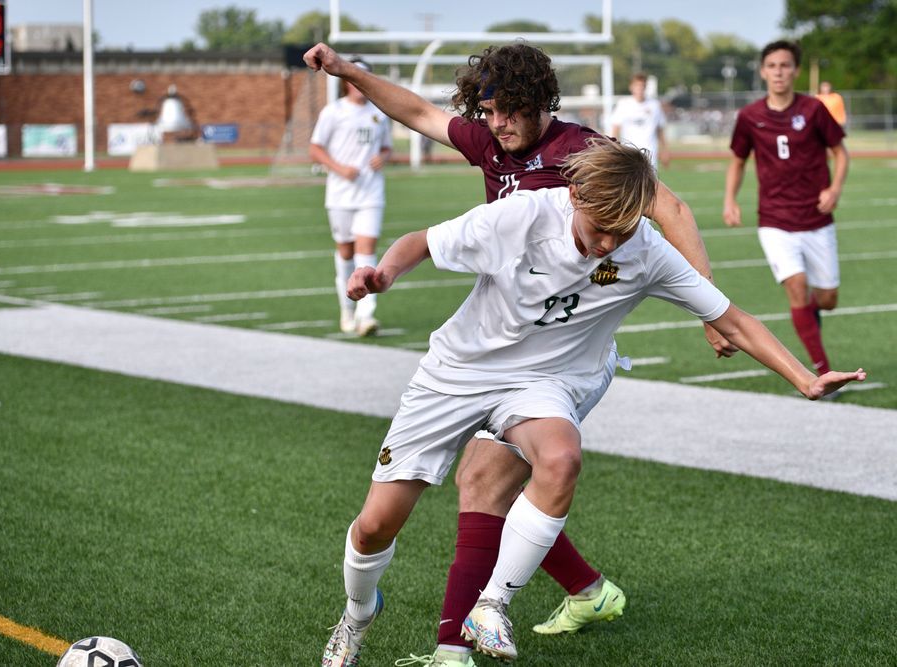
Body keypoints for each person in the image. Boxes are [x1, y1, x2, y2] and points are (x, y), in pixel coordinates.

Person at [323, 138, 865, 665]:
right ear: (577, 196)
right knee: (375, 526)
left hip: (545, 380)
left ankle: (491, 605)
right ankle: (356, 615)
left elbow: (733, 320)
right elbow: (421, 241)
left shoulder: (647, 249)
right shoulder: (522, 217)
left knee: (561, 457)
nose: (609, 245)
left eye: (622, 232)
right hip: (457, 373)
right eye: (600, 229)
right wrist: (384, 274)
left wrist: (804, 379)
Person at [306, 41, 737, 667]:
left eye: (511, 111)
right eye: (488, 112)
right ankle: (587, 591)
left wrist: (711, 311)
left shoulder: (581, 152)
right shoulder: (490, 138)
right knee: (468, 490)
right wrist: (348, 71)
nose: (498, 123)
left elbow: (668, 205)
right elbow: (421, 116)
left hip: (560, 357)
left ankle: (452, 650)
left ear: (541, 104)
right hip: (496, 344)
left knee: (483, 481)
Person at [724, 40, 849, 377]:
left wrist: (835, 189)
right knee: (796, 287)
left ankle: (811, 314)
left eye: (785, 65)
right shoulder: (750, 116)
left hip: (817, 218)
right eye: (773, 66)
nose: (779, 72)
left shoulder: (814, 110)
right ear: (763, 71)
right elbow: (738, 160)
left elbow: (840, 152)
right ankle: (821, 371)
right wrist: (730, 200)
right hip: (775, 220)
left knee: (827, 299)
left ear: (795, 71)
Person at [310, 58, 393, 337]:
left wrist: (382, 158)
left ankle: (366, 315)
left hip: (371, 193)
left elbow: (386, 148)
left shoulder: (379, 114)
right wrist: (339, 168)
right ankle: (347, 309)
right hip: (340, 195)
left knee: (366, 251)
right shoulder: (333, 112)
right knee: (345, 252)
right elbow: (316, 149)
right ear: (347, 81)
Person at [611, 72, 670, 168]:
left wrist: (665, 150)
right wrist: (613, 150)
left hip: (650, 153)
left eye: (642, 86)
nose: (640, 89)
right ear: (631, 87)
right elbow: (615, 130)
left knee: (651, 182)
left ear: (645, 87)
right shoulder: (623, 104)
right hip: (629, 152)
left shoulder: (654, 105)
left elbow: (660, 130)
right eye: (637, 85)